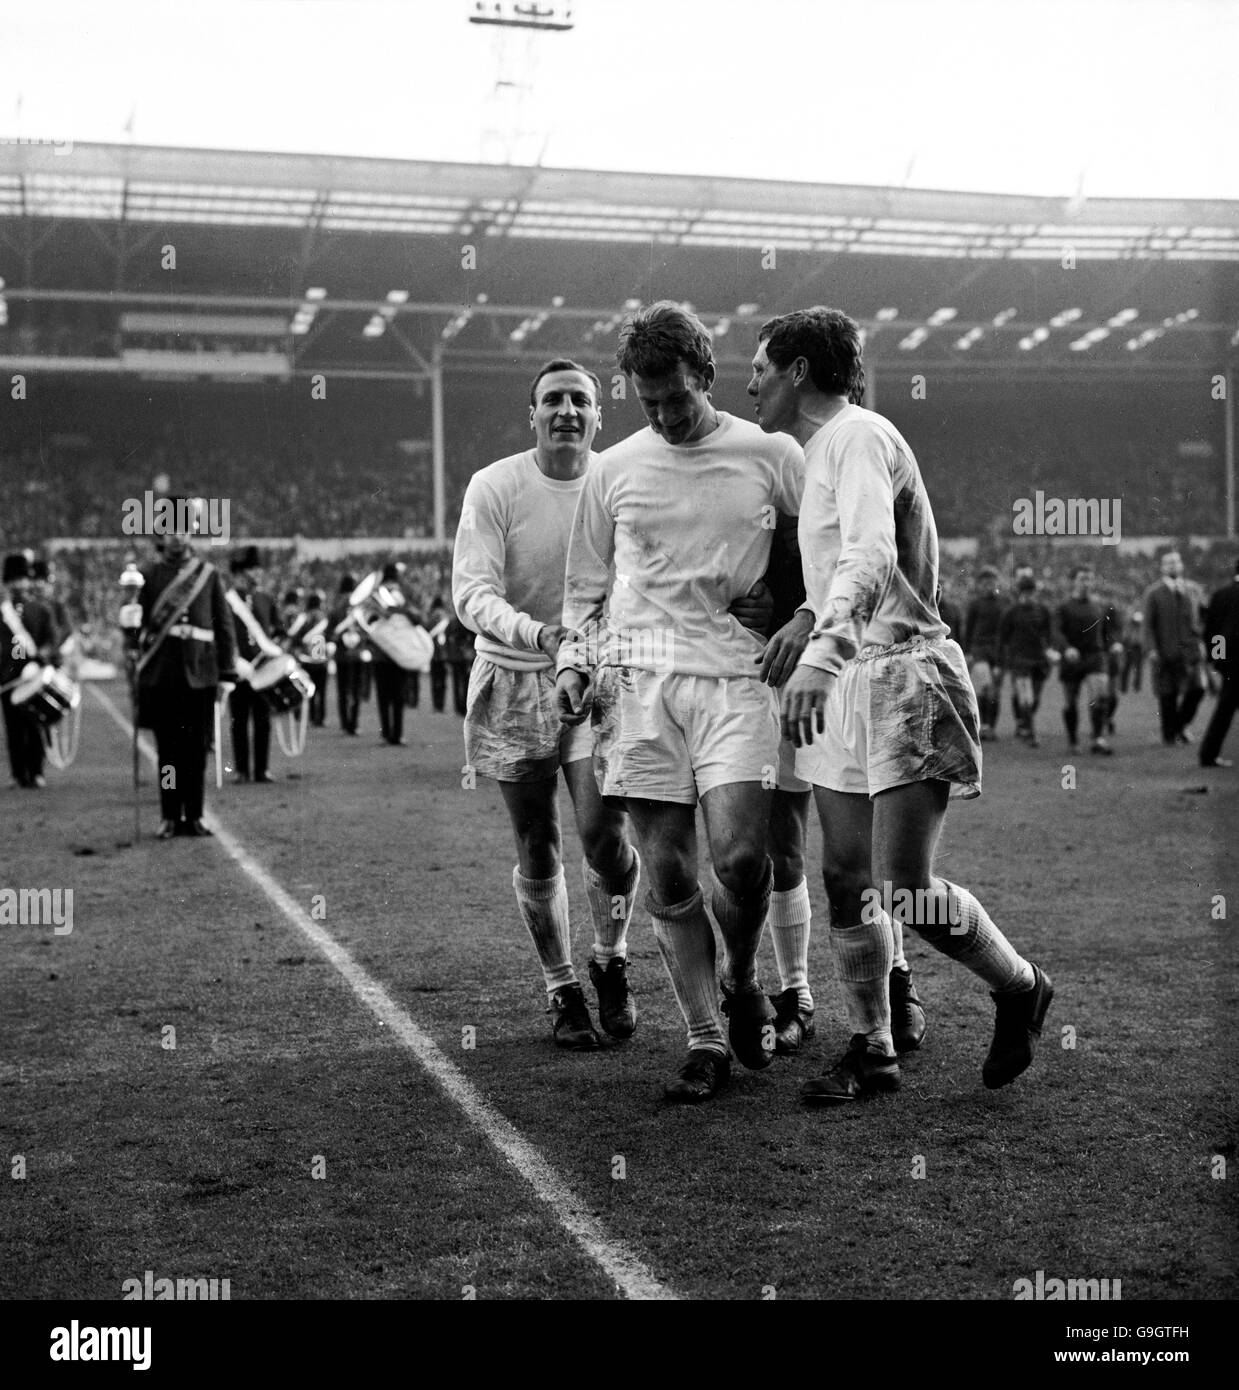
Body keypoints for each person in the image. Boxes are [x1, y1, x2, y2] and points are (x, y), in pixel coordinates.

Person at [751, 306, 1052, 1105]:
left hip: (899, 676)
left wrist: (819, 652)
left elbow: (873, 556)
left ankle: (1019, 985)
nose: (747, 383)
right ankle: (871, 1047)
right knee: (845, 874)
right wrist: (803, 621)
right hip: (846, 676)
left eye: (759, 367)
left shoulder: (859, 436)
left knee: (902, 885)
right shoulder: (816, 453)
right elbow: (837, 575)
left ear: (798, 371)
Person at [555, 305, 805, 1102]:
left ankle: (741, 979)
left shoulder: (769, 452)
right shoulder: (613, 469)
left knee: (739, 859)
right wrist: (573, 661)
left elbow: (816, 551)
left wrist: (795, 607)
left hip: (736, 679)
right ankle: (703, 1039)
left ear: (705, 375)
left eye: (675, 398)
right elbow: (583, 589)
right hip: (639, 684)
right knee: (665, 872)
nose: (661, 416)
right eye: (645, 401)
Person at [454, 358, 641, 1051]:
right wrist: (539, 634)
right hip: (514, 675)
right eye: (553, 399)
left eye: (580, 401)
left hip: (596, 679)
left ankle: (611, 956)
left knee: (607, 838)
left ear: (598, 416)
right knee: (537, 841)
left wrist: (588, 647)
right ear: (531, 413)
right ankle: (561, 986)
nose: (567, 410)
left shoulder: (618, 482)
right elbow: (472, 593)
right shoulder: (495, 485)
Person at [135, 503, 238, 837]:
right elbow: (139, 628)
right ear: (162, 535)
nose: (177, 536)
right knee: (168, 753)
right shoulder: (148, 575)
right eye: (170, 530)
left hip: (200, 675)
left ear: (191, 532)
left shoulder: (208, 575)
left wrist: (226, 674)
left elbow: (224, 627)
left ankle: (193, 814)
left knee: (195, 752)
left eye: (182, 530)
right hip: (163, 676)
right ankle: (169, 815)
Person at [227, 545, 282, 783]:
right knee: (238, 722)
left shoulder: (266, 598)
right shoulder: (229, 600)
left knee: (263, 721)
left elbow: (278, 630)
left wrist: (276, 649)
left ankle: (261, 769)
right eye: (252, 568)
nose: (257, 573)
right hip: (238, 670)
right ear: (241, 573)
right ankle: (241, 770)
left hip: (263, 670)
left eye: (258, 568)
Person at [1, 552, 56, 789]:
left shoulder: (41, 609)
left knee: (34, 726)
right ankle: (17, 773)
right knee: (13, 729)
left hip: (34, 677)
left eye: (22, 578)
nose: (18, 583)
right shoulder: (2, 611)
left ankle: (36, 772)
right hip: (8, 678)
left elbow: (50, 639)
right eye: (12, 579)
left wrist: (43, 654)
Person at [1054, 565, 1121, 754]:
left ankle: (1098, 738)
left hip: (1095, 655)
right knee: (1070, 702)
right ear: (1073, 581)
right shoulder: (1064, 607)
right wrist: (1066, 648)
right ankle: (1073, 741)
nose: (1086, 583)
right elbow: (1056, 632)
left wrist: (1114, 643)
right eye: (1082, 578)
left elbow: (1111, 631)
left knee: (1100, 696)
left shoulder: (1102, 605)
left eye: (1089, 579)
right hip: (1072, 658)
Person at [1143, 550, 1206, 745]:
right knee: (1168, 694)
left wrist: (1203, 641)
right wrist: (1152, 649)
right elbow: (1148, 625)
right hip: (1166, 651)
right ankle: (1169, 735)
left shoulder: (1194, 590)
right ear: (1162, 568)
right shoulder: (1153, 593)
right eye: (1168, 563)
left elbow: (1205, 618)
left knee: (1198, 690)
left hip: (1191, 651)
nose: (1172, 566)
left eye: (1176, 562)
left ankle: (1180, 726)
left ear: (1181, 565)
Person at [1199, 557, 1239, 768]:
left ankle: (1208, 754)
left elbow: (1213, 632)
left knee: (1224, 710)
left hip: (1229, 664)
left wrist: (1218, 659)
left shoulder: (1221, 595)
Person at [371, 562, 414, 746]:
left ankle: (386, 733)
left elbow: (370, 620)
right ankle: (397, 734)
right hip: (399, 651)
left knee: (383, 696)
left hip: (380, 651)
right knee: (398, 696)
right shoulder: (403, 593)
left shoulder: (375, 595)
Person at [961, 567, 1005, 739]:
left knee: (995, 691)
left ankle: (991, 726)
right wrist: (967, 651)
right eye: (985, 583)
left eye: (992, 582)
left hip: (998, 651)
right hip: (979, 649)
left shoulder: (1004, 603)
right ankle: (984, 725)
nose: (989, 586)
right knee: (984, 686)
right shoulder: (975, 605)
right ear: (980, 585)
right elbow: (968, 629)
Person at [285, 590, 329, 727]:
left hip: (305, 657)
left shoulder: (303, 617)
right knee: (321, 691)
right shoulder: (321, 617)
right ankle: (320, 718)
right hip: (319, 656)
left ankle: (309, 716)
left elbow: (294, 636)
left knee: (307, 688)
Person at [330, 573, 364, 734]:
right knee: (354, 691)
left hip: (343, 656)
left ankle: (345, 724)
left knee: (343, 692)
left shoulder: (336, 609)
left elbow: (330, 633)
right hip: (355, 654)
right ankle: (353, 723)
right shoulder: (358, 608)